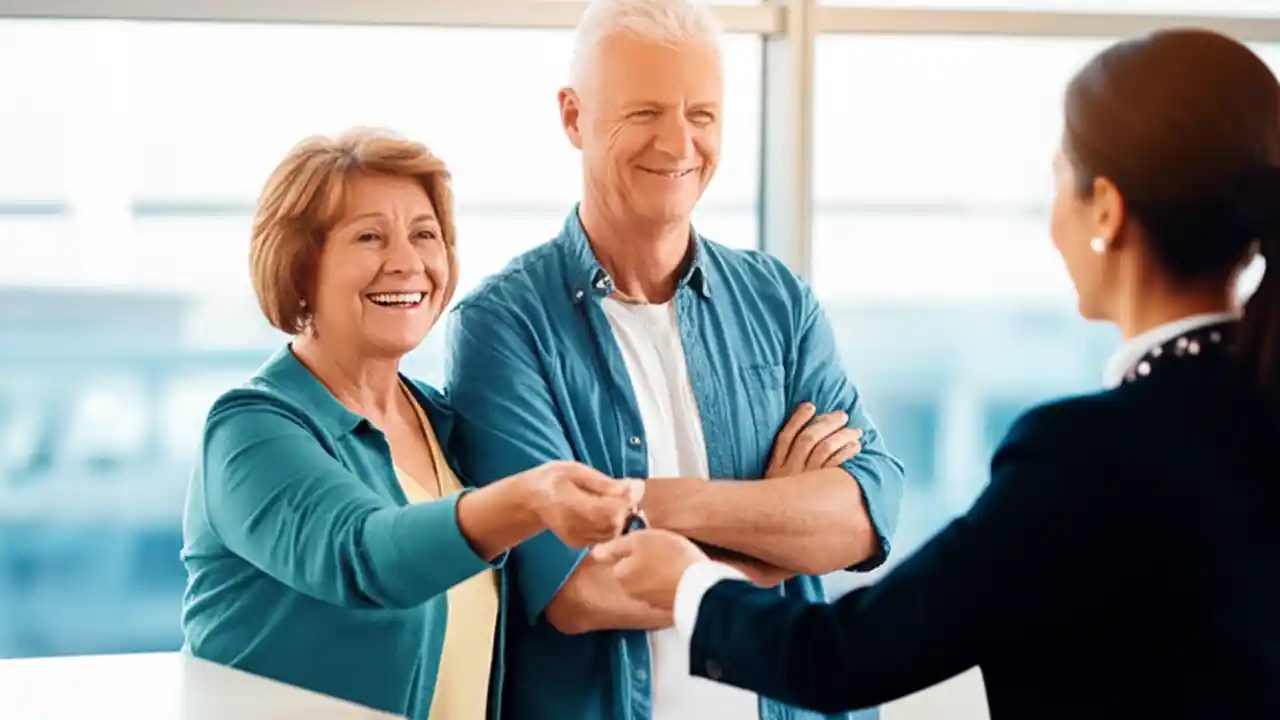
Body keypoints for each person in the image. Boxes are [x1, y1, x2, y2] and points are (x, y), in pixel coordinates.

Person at [596, 27, 1280, 719]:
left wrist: (689, 581)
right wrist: (768, 541)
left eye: (1058, 188)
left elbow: (842, 657)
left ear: (1105, 207)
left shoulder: (1085, 454)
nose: (1054, 225)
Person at [444, 1, 904, 718]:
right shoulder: (501, 328)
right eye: (644, 112)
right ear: (573, 117)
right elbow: (577, 592)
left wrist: (649, 503)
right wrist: (773, 547)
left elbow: (864, 518)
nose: (679, 141)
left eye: (702, 114)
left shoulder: (778, 302)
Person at [180, 128, 644, 720]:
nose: (406, 263)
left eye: (424, 235)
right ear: (301, 267)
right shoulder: (249, 433)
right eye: (369, 237)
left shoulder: (446, 425)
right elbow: (364, 554)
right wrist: (529, 499)